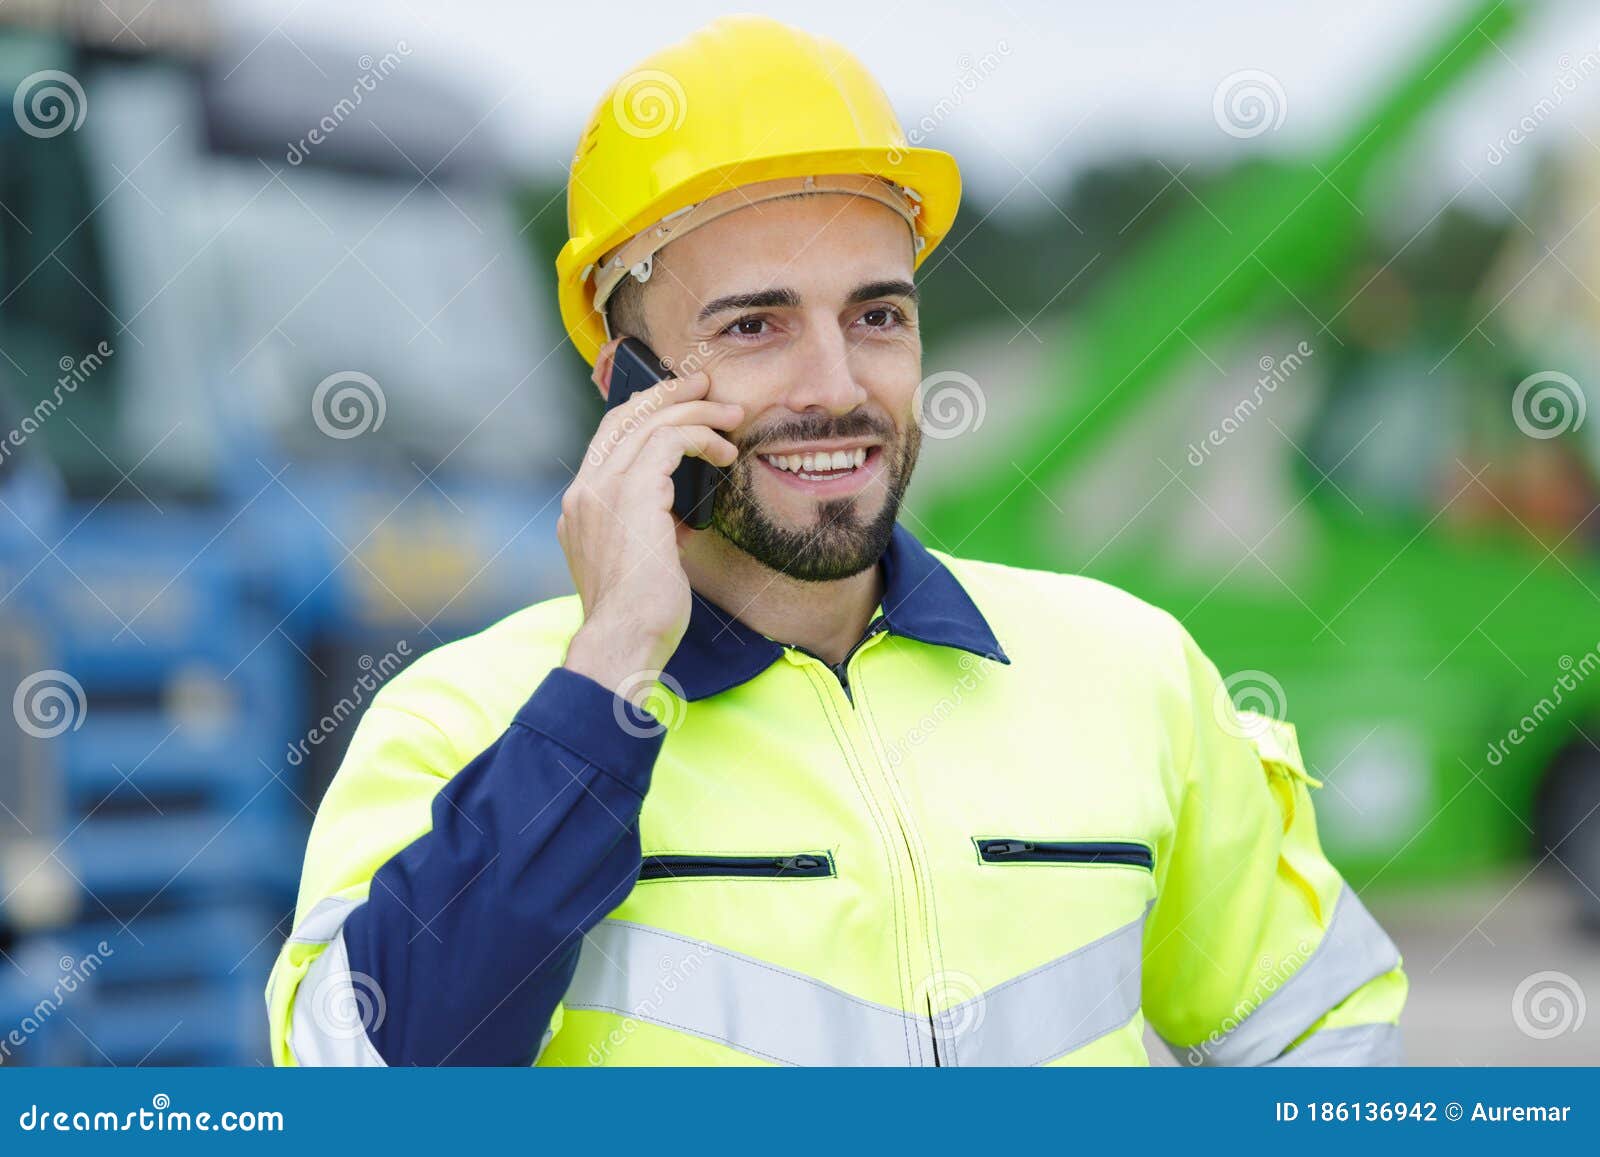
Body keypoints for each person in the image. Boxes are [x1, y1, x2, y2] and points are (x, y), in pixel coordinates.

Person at [266, 14, 1407, 1067]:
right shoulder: (463, 723)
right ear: (630, 383)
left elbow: (1325, 1038)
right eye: (755, 326)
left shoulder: (1131, 673)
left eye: (877, 316)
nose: (837, 386)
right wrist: (606, 678)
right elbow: (358, 1084)